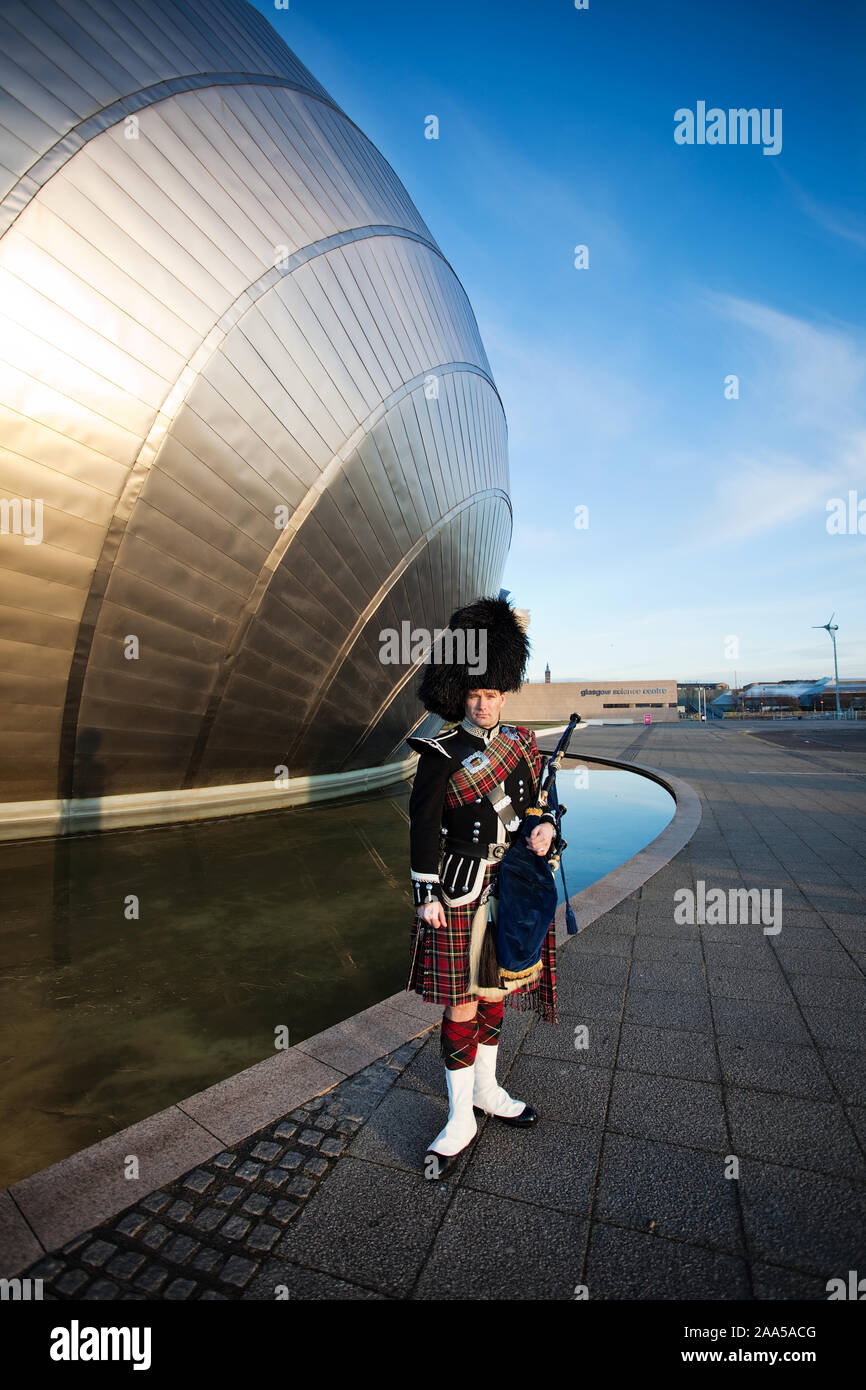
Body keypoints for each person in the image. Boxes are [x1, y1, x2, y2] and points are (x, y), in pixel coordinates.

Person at [405, 595, 560, 1179]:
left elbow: (534, 808)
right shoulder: (439, 752)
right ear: (460, 694)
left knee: (497, 993)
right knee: (461, 1000)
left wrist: (545, 828)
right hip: (460, 889)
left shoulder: (520, 744)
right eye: (475, 693)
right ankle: (458, 1116)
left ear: (504, 690)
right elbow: (423, 827)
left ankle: (488, 1091)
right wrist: (427, 896)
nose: (486, 702)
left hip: (510, 886)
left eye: (493, 693)